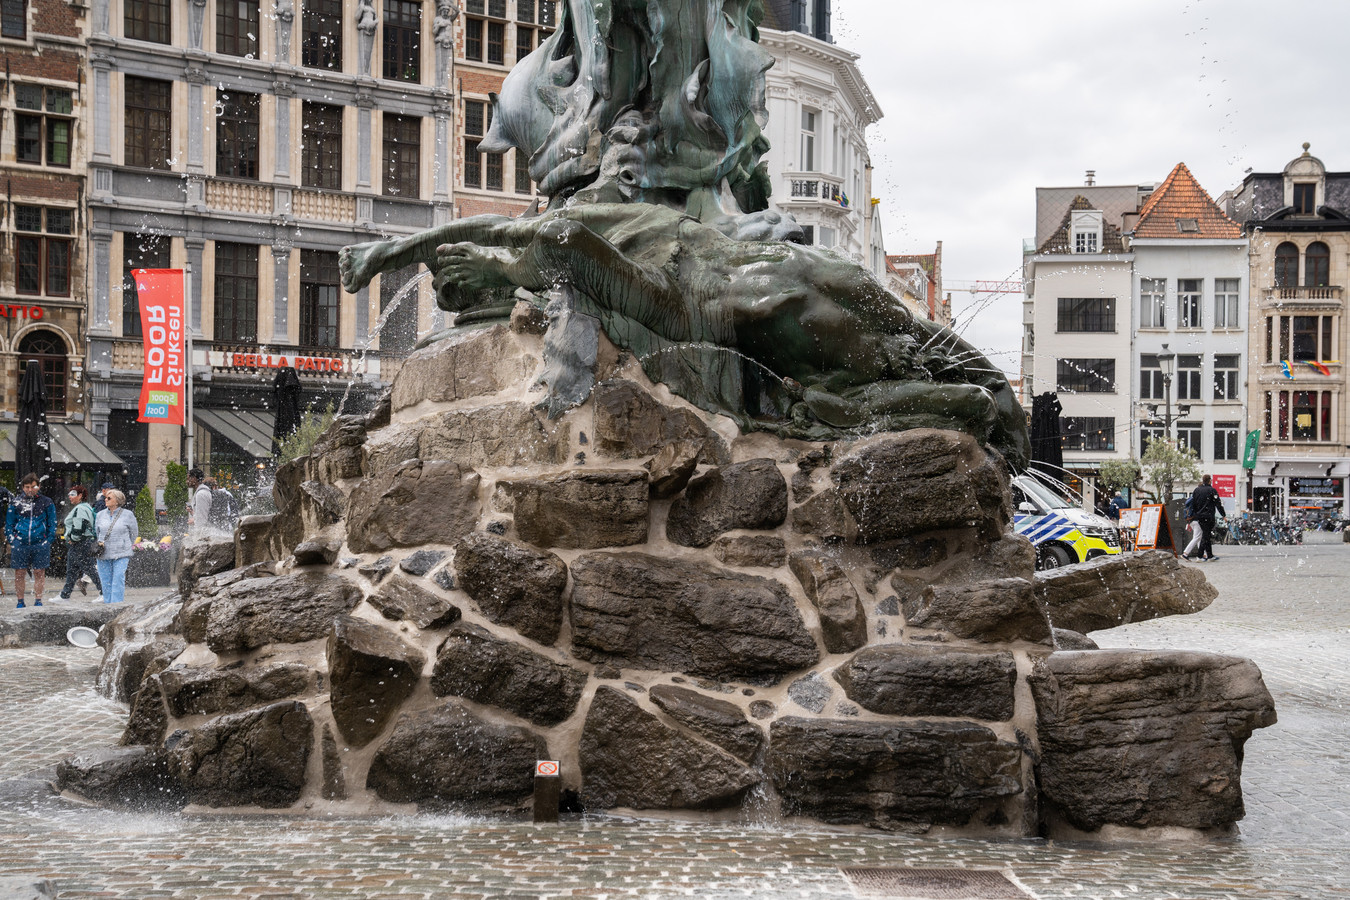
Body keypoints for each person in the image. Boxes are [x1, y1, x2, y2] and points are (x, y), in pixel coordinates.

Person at [6, 473, 57, 608]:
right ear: (22, 487)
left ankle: (38, 600)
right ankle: (20, 601)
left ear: (39, 486)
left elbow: (53, 523)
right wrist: (12, 540)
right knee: (19, 573)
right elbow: (9, 524)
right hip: (20, 543)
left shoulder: (47, 502)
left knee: (39, 572)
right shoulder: (16, 502)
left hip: (40, 543)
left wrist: (48, 540)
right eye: (27, 487)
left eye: (33, 487)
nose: (30, 490)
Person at [95, 489, 138, 604]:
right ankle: (108, 605)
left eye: (109, 498)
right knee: (105, 581)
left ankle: (116, 605)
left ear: (117, 501)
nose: (106, 500)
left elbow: (134, 533)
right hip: (103, 553)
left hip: (122, 552)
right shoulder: (100, 515)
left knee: (118, 578)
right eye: (105, 498)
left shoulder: (128, 515)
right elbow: (97, 532)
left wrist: (125, 543)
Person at [59, 485, 103, 600]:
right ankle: (65, 595)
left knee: (88, 569)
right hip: (81, 543)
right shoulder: (85, 507)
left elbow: (80, 525)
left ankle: (103, 592)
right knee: (72, 570)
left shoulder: (80, 509)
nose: (70, 497)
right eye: (69, 494)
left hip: (80, 543)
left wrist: (73, 539)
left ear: (80, 496)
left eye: (73, 494)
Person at [1188, 475, 1225, 561]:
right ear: (1210, 481)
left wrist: (1195, 514)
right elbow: (1218, 504)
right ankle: (1199, 556)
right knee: (1206, 535)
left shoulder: (1197, 490)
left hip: (1200, 517)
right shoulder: (1212, 490)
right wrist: (1223, 514)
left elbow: (1193, 504)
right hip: (1209, 516)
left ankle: (1210, 555)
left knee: (1206, 535)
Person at [187, 468, 214, 539]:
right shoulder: (201, 492)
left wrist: (197, 538)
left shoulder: (201, 494)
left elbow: (202, 521)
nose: (187, 481)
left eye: (188, 478)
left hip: (205, 537)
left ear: (194, 478)